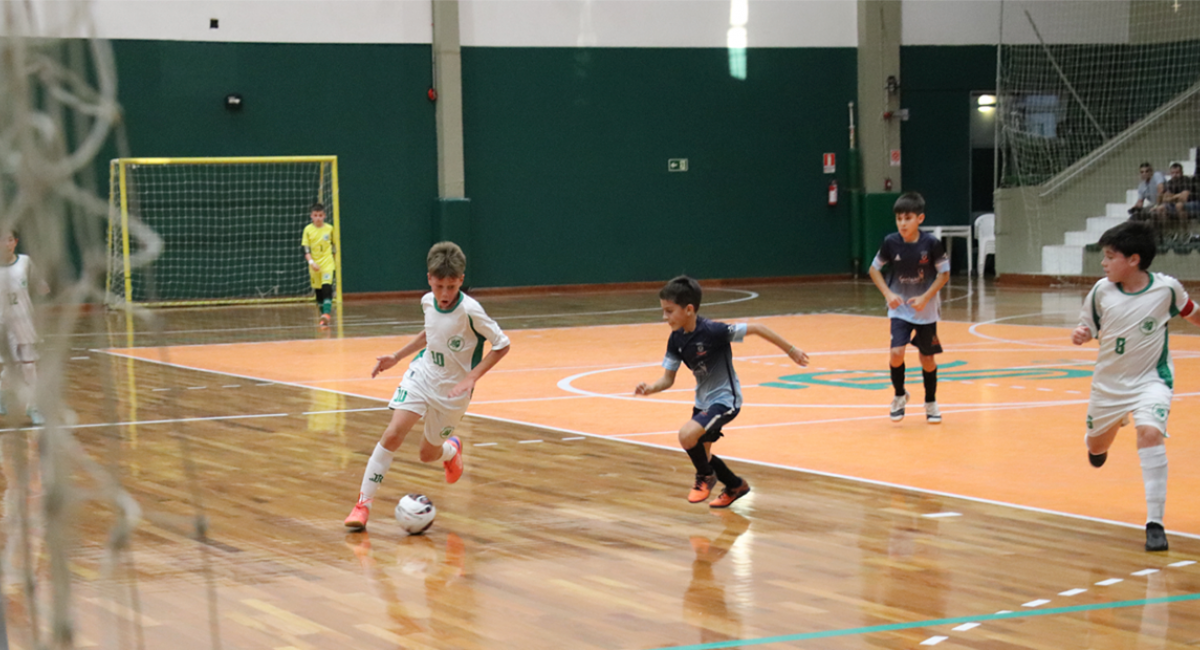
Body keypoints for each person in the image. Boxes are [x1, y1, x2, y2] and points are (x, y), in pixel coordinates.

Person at [344, 241, 510, 531]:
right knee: (394, 433)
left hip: (452, 392)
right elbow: (430, 333)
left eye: (451, 287)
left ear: (460, 280)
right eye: (439, 286)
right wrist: (397, 356)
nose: (444, 295)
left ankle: (451, 451)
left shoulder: (471, 311)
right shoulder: (426, 301)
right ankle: (362, 505)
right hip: (422, 375)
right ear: (429, 279)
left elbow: (502, 345)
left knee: (426, 454)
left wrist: (472, 377)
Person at [1071, 220, 1200, 552]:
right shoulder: (1101, 290)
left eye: (1110, 256)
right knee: (1097, 447)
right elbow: (1087, 325)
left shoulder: (1166, 289)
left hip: (1151, 380)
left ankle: (1154, 523)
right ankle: (1106, 432)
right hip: (1109, 386)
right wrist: (1082, 334)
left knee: (1151, 433)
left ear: (1134, 259)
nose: (1103, 263)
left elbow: (1191, 312)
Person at [634, 276, 808, 508]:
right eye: (663, 311)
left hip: (725, 401)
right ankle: (736, 485)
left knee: (686, 435)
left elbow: (757, 327)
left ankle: (705, 477)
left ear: (688, 309)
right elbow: (667, 379)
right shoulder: (676, 339)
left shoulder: (714, 331)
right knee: (703, 456)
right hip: (703, 402)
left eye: (669, 311)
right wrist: (651, 388)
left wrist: (791, 350)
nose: (664, 317)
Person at [867, 192, 950, 423]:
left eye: (908, 218)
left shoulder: (931, 244)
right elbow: (874, 270)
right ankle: (899, 396)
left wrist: (925, 297)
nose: (902, 223)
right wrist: (888, 293)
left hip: (925, 311)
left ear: (920, 219)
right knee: (896, 354)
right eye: (899, 219)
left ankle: (931, 402)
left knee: (927, 359)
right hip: (900, 309)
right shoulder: (890, 242)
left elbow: (944, 274)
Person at [0, 231, 46, 425]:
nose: (5, 243)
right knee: (10, 369)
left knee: (29, 368)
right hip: (3, 325)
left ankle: (34, 408)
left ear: (15, 242)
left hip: (25, 322)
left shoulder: (25, 262)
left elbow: (39, 285)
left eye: (9, 239)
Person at [301, 203, 336, 327]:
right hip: (314, 266)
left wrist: (334, 260)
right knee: (319, 293)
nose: (318, 218)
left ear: (324, 216)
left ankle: (326, 314)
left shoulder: (330, 229)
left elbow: (335, 246)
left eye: (320, 215)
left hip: (327, 263)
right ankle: (323, 319)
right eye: (315, 215)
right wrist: (311, 262)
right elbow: (306, 250)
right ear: (311, 216)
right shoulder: (308, 230)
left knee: (327, 288)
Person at [1149, 163, 1193, 240]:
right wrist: (1178, 196)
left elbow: (1184, 198)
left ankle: (1185, 233)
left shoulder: (1187, 180)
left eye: (1177, 173)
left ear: (1182, 172)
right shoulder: (1170, 183)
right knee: (1160, 209)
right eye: (1173, 173)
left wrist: (1172, 197)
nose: (1175, 175)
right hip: (1173, 205)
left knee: (1179, 205)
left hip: (1188, 204)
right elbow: (1165, 199)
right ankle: (1169, 233)